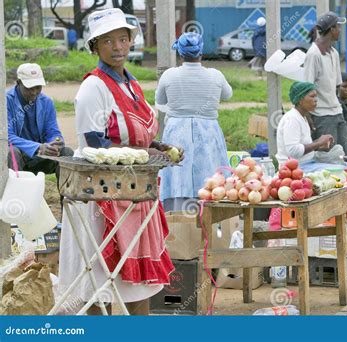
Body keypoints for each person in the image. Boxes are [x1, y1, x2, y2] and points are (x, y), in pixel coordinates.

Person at [59, 9, 176, 315]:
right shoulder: (93, 88)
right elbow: (96, 144)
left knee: (137, 285)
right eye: (108, 41)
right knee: (102, 281)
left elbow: (138, 135)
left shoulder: (132, 84)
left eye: (123, 39)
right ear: (95, 47)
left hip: (136, 195)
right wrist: (143, 154)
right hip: (103, 200)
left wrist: (157, 145)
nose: (118, 47)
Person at [156, 32, 233, 212]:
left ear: (180, 54)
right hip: (208, 129)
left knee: (177, 172)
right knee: (209, 170)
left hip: (176, 130)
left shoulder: (169, 75)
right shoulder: (215, 75)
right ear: (201, 52)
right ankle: (210, 216)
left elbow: (160, 99)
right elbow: (228, 94)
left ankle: (176, 218)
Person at [7, 63, 73, 183]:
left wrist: (56, 142)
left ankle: (66, 199)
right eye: (29, 88)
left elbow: (53, 131)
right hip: (19, 156)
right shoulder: (5, 100)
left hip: (38, 156)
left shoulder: (46, 102)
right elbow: (7, 136)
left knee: (66, 153)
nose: (34, 92)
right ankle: (17, 198)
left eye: (38, 87)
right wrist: (37, 147)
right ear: (18, 82)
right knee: (12, 152)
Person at [303, 11, 347, 154]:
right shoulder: (313, 54)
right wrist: (309, 117)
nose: (340, 31)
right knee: (327, 157)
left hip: (337, 112)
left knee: (343, 154)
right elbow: (307, 88)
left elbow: (336, 85)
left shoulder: (333, 53)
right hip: (321, 115)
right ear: (331, 30)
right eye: (338, 27)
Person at [276, 81, 335, 172]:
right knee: (339, 170)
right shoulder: (292, 119)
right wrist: (318, 143)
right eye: (312, 96)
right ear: (300, 100)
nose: (316, 100)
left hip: (307, 163)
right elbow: (293, 151)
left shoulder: (302, 117)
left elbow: (303, 145)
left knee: (343, 164)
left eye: (316, 96)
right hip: (293, 169)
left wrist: (319, 145)